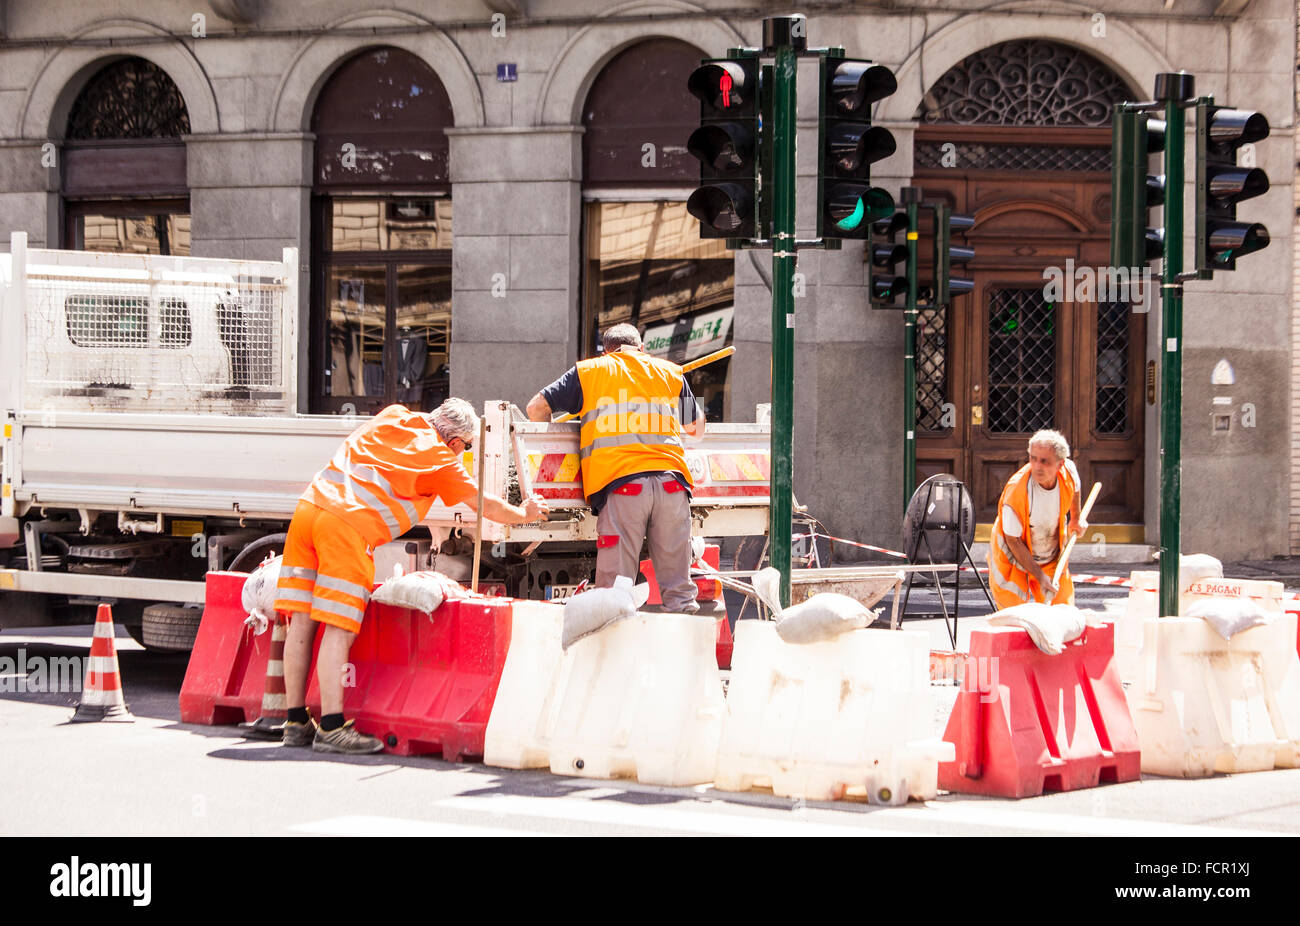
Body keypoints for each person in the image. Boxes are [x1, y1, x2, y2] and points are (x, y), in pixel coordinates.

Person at [274, 398, 548, 754]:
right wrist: (524, 513)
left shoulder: (395, 415)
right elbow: (485, 505)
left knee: (302, 621)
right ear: (454, 443)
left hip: (309, 509)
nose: (461, 454)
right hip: (346, 527)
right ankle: (331, 727)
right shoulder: (440, 460)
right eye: (464, 448)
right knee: (338, 628)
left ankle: (295, 721)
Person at [526, 323, 706, 613]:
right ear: (642, 348)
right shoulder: (670, 372)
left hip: (623, 487)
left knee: (613, 596)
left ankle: (614, 654)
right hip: (672, 485)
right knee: (680, 595)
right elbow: (696, 428)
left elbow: (536, 408)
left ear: (606, 351)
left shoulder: (590, 372)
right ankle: (686, 652)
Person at [987, 429, 1087, 610]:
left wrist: (1076, 519)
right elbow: (1013, 540)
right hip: (1012, 557)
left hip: (1049, 553)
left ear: (1060, 464)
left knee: (1062, 613)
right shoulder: (1016, 491)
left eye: (1044, 461)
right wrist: (1040, 577)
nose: (1037, 466)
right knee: (1016, 619)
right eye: (1033, 458)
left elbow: (1076, 489)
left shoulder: (1069, 471)